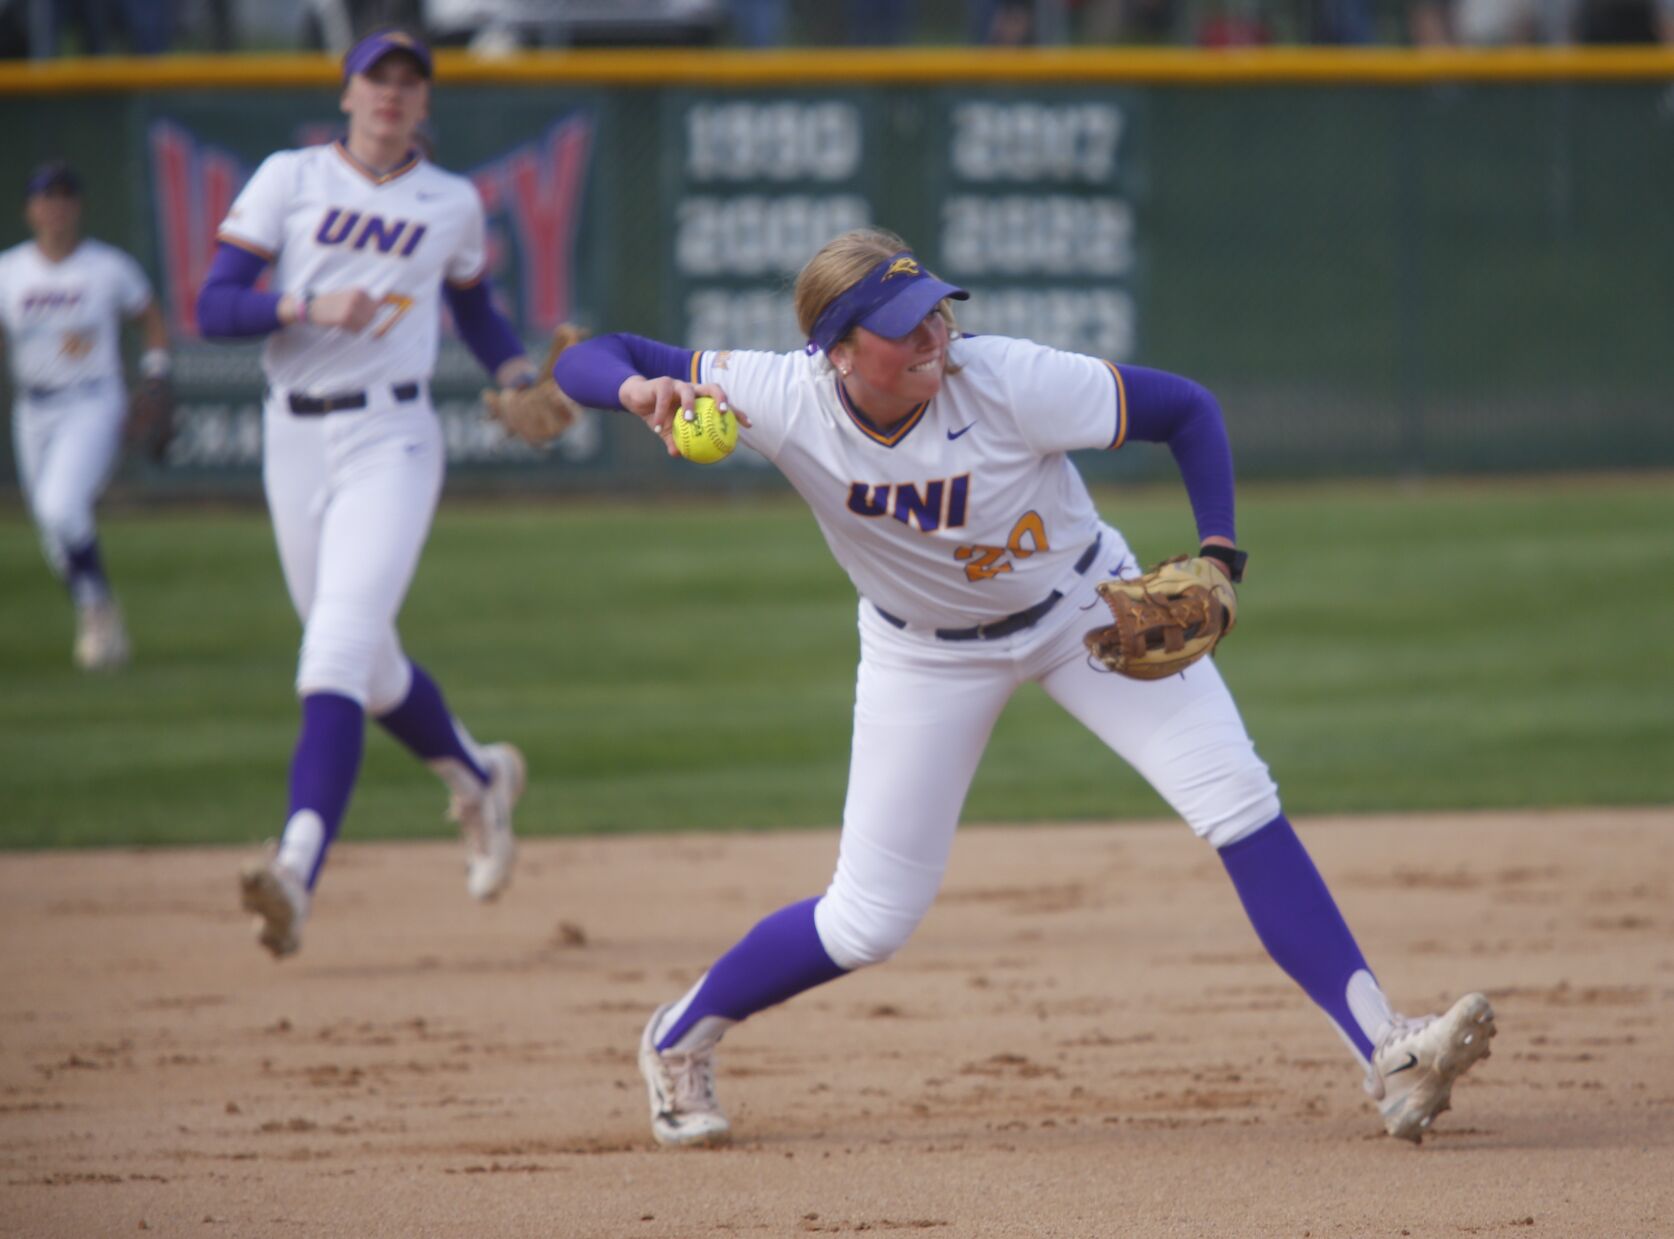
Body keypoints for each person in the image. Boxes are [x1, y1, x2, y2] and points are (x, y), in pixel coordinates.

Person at [551, 227, 1497, 1148]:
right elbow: (595, 357)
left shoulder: (1006, 379)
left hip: (1083, 613)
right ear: (839, 352)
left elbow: (1188, 411)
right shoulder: (778, 394)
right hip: (922, 656)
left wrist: (1219, 556)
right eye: (904, 326)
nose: (934, 336)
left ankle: (1387, 1052)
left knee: (1240, 802)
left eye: (935, 312)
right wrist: (641, 389)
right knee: (867, 920)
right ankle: (677, 1036)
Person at [195, 29, 530, 959]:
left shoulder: (451, 202)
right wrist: (302, 305)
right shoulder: (290, 179)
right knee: (367, 663)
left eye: (408, 81)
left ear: (425, 103)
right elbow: (213, 307)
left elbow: (473, 304)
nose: (390, 93)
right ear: (346, 94)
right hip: (293, 436)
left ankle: (296, 872)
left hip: (394, 435)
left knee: (335, 650)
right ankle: (480, 774)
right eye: (375, 78)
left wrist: (513, 368)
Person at [1, 161, 171, 672]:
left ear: (78, 207)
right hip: (33, 406)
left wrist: (157, 375)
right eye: (45, 198)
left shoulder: (107, 267)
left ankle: (97, 612)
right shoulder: (10, 270)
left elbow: (149, 317)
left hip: (92, 400)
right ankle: (97, 610)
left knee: (61, 506)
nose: (55, 208)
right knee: (55, 533)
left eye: (63, 197)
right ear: (29, 209)